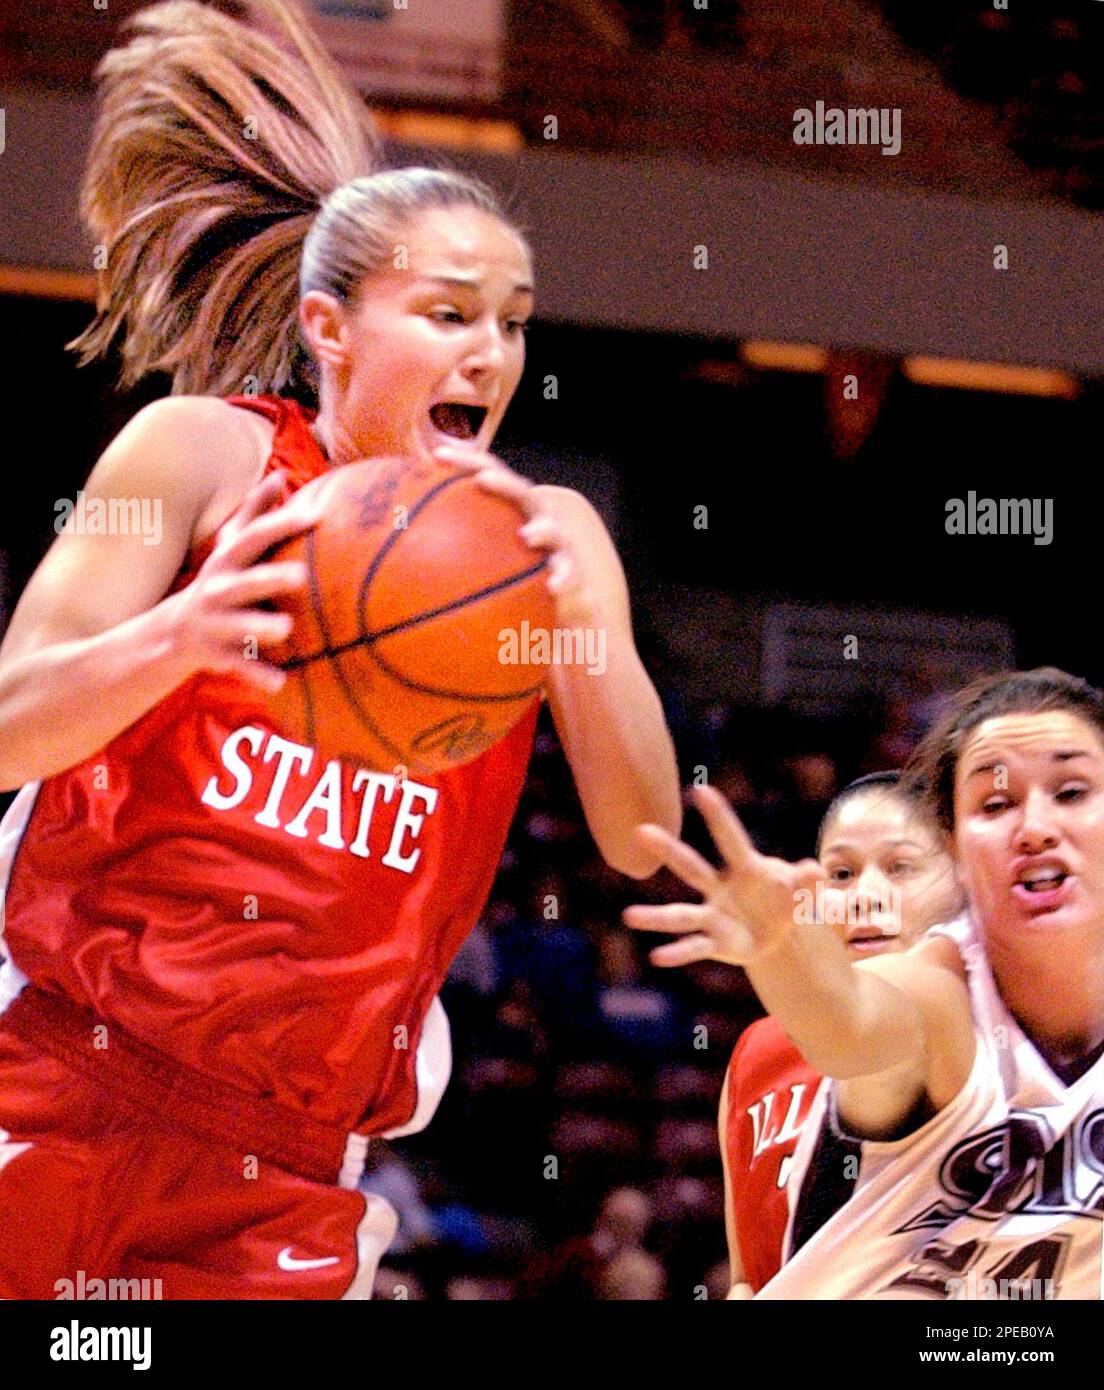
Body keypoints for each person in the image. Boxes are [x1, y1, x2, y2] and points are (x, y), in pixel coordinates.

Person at [0, 0, 680, 1300]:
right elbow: (9, 722)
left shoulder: (545, 540)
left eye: (512, 321)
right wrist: (176, 636)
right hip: (61, 1078)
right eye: (448, 314)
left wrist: (584, 621)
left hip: (290, 1164)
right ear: (330, 328)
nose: (490, 351)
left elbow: (642, 841)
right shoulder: (204, 453)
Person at [626, 667, 1104, 1300]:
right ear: (957, 849)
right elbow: (849, 1025)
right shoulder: (937, 998)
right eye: (995, 804)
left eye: (1071, 791)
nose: (1035, 826)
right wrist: (779, 949)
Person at [720, 771, 963, 1297]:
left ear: (962, 881)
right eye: (842, 873)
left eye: (900, 867)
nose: (865, 896)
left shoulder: (1000, 1045)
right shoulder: (760, 1050)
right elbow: (748, 1277)